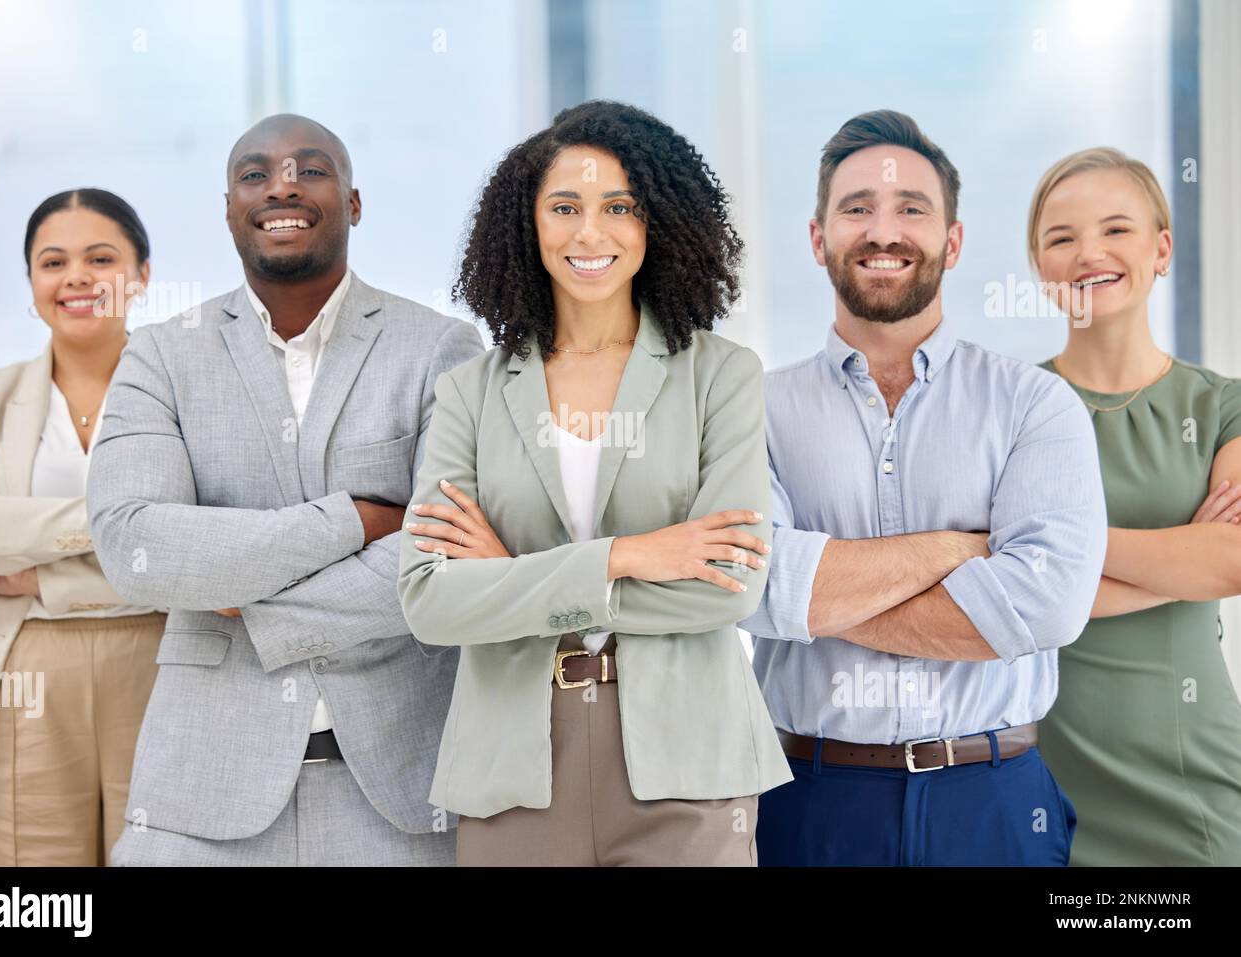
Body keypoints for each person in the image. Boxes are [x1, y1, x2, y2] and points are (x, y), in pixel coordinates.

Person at [397, 100, 791, 866]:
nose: (590, 232)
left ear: (659, 222)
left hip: (687, 763)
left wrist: (509, 581)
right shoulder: (470, 392)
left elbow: (730, 587)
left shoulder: (722, 377)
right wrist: (626, 555)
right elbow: (429, 598)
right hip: (513, 765)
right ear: (527, 224)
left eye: (619, 207)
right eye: (565, 207)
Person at [88, 114, 483, 866]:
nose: (284, 187)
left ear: (354, 202)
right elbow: (136, 544)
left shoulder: (440, 347)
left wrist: (238, 587)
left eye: (312, 168)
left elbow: (446, 555)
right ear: (229, 207)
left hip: (403, 793)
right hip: (201, 795)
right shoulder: (161, 357)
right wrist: (356, 519)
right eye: (256, 174)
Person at [741, 110, 1106, 866]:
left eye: (912, 208)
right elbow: (756, 588)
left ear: (953, 240)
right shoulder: (751, 411)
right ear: (818, 239)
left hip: (993, 804)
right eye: (857, 209)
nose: (884, 231)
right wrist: (954, 551)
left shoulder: (1034, 406)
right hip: (809, 803)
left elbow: (1046, 605)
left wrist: (819, 591)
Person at [0, 188, 167, 865]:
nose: (76, 277)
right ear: (32, 281)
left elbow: (206, 537)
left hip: (163, 664)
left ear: (143, 274)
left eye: (101, 257)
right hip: (19, 674)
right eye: (53, 261)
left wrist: (42, 573)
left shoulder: (192, 396)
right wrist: (126, 520)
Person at [1030, 146, 1241, 865]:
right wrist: (1181, 556)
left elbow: (1232, 558)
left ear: (1162, 249)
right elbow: (1006, 588)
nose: (1089, 251)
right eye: (1061, 237)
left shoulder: (1222, 406)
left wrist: (1057, 547)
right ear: (1039, 267)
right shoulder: (1008, 410)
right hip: (1043, 782)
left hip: (1193, 777)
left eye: (1116, 228)